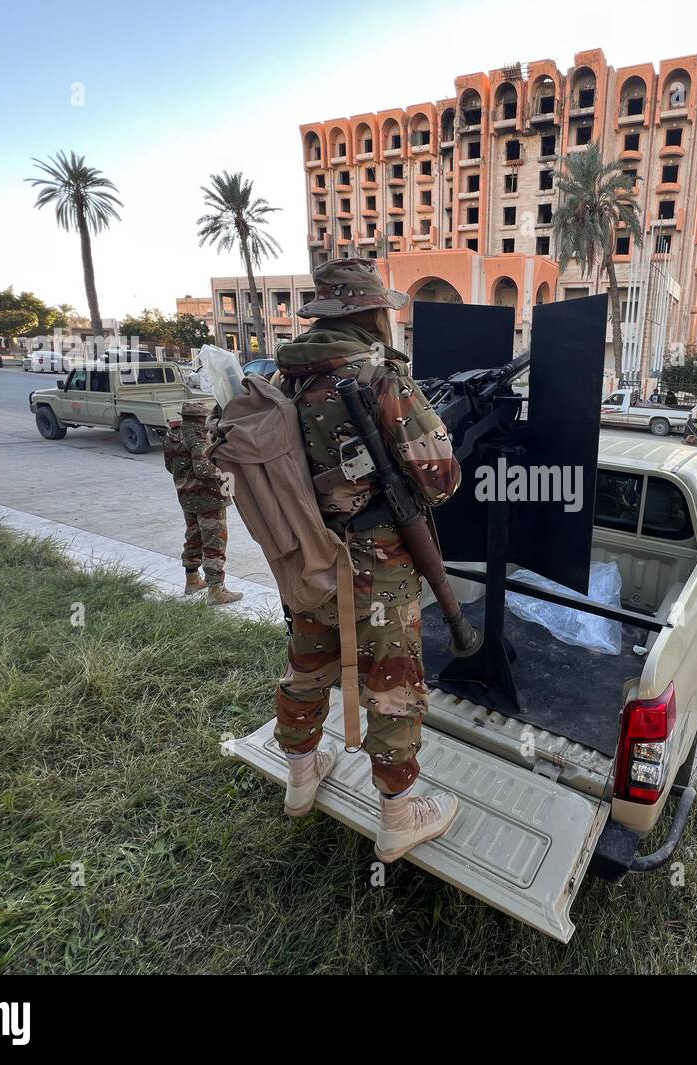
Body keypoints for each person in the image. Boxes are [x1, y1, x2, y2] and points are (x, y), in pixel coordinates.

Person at [271, 257, 463, 863]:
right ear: (373, 313)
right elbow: (440, 480)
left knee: (308, 661)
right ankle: (399, 818)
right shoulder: (380, 377)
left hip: (309, 554)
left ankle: (300, 778)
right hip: (377, 564)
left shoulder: (285, 379)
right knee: (392, 684)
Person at [161, 399, 243, 606]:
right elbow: (203, 469)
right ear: (201, 418)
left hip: (186, 495)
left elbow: (170, 466)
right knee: (215, 543)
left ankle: (192, 580)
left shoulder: (172, 434)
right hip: (208, 498)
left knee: (193, 536)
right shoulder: (198, 436)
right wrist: (226, 472)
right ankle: (216, 590)